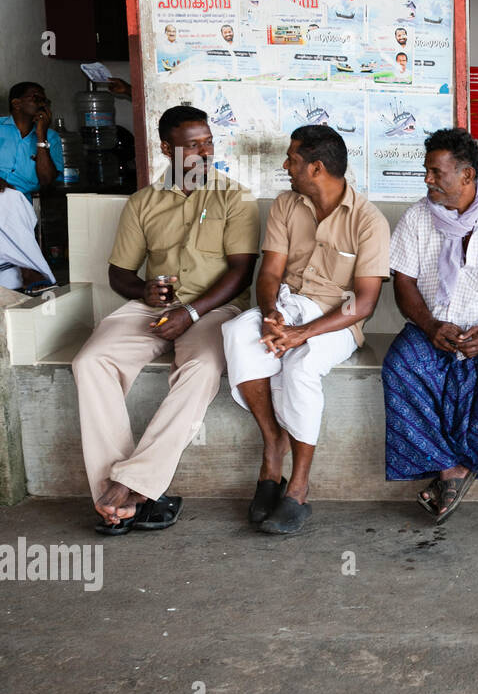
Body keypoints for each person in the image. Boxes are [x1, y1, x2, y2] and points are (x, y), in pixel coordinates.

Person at [70, 105, 259, 535]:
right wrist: (145, 292)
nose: (204, 151)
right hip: (153, 310)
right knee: (90, 361)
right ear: (166, 148)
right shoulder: (144, 202)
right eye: (193, 145)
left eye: (208, 141)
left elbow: (240, 271)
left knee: (202, 368)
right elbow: (119, 273)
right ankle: (116, 494)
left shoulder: (235, 197)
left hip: (213, 309)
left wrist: (191, 311)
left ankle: (129, 486)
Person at [222, 125, 390, 535]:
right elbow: (271, 271)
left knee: (300, 366)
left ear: (316, 167)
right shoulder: (285, 204)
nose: (286, 166)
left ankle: (298, 486)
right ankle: (272, 446)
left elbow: (363, 303)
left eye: (293, 160)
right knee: (238, 334)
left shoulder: (369, 221)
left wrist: (303, 334)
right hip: (286, 306)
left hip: (336, 320)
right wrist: (269, 313)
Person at [383, 128, 478, 524]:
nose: (428, 179)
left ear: (467, 176)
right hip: (431, 322)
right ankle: (449, 467)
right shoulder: (417, 218)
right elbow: (404, 283)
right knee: (402, 366)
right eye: (427, 171)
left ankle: (469, 462)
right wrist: (431, 325)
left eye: (436, 172)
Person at [1, 82, 64, 202]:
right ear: (16, 103)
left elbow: (46, 181)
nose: (42, 104)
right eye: (36, 98)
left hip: (19, 207)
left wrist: (41, 135)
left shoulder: (51, 137)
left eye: (45, 101)